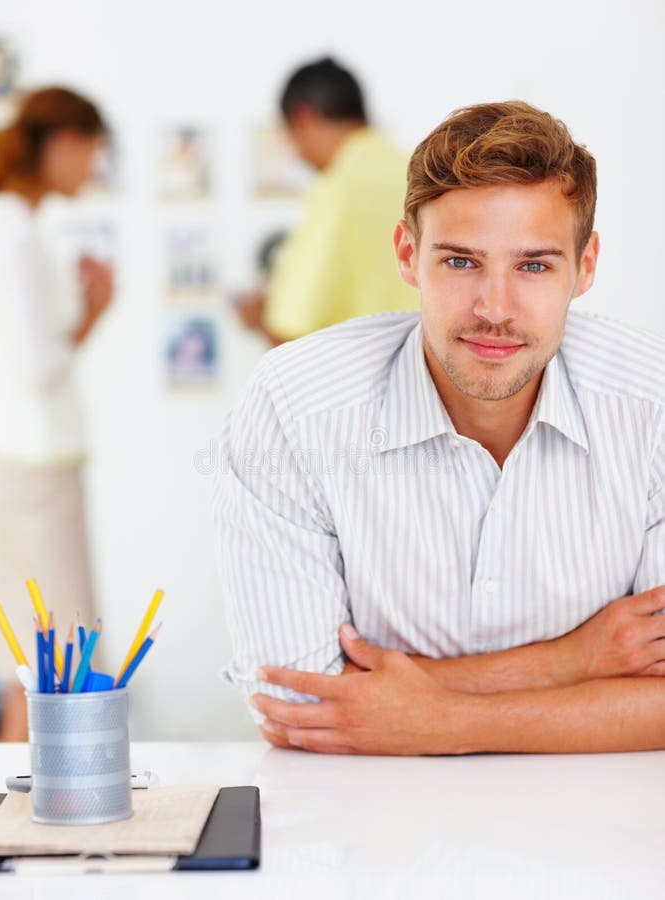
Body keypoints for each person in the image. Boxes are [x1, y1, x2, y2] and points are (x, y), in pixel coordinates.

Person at [216, 100, 665, 756]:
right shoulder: (292, 407)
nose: (494, 309)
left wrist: (440, 720)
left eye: (534, 265)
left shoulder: (650, 406)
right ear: (408, 253)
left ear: (585, 266)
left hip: (607, 842)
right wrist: (567, 663)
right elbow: (297, 704)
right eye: (459, 262)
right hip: (365, 833)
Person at [0, 87, 112, 725]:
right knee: (58, 667)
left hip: (17, 464)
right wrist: (93, 310)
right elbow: (38, 367)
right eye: (92, 152)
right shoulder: (13, 233)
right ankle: (37, 819)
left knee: (30, 668)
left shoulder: (4, 225)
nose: (93, 169)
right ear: (63, 142)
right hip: (35, 470)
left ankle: (14, 821)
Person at [237, 57, 417, 345]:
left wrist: (257, 319)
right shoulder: (415, 170)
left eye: (289, 137)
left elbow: (291, 331)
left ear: (302, 118)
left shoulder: (338, 186)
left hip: (364, 379)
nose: (295, 154)